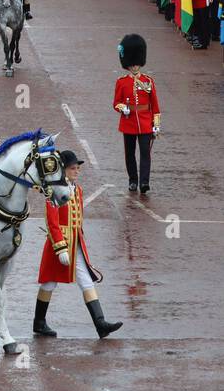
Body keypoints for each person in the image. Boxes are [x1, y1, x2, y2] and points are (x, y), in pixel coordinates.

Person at [33, 150, 123, 339]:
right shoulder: (53, 190)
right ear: (64, 170)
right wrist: (60, 246)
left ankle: (100, 324)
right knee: (49, 283)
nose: (76, 171)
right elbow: (52, 221)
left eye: (77, 168)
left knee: (85, 280)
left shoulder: (78, 189)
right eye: (73, 168)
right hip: (60, 244)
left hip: (76, 243)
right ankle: (39, 322)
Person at [112, 33, 159, 193]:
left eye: (136, 64)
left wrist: (156, 124)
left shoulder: (148, 81)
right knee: (130, 154)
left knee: (145, 153)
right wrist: (122, 108)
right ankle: (133, 180)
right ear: (127, 63)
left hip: (145, 122)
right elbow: (116, 102)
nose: (134, 67)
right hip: (129, 121)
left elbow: (155, 105)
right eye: (132, 64)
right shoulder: (121, 82)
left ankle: (144, 182)